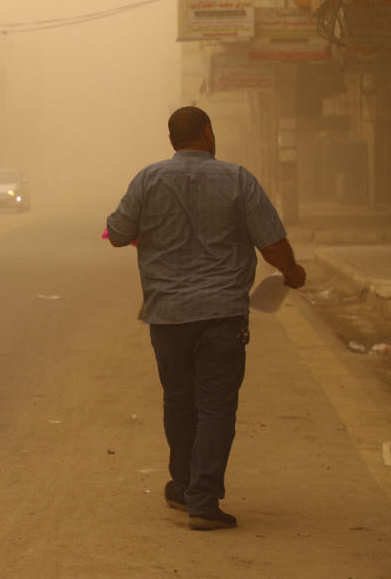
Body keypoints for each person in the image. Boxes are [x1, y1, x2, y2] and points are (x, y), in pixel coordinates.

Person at [106, 106, 306, 531]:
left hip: (167, 315)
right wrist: (292, 272)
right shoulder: (237, 179)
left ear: (172, 140)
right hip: (221, 315)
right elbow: (270, 242)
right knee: (216, 406)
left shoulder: (148, 179)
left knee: (179, 402)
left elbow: (118, 234)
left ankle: (183, 484)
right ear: (208, 132)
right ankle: (203, 499)